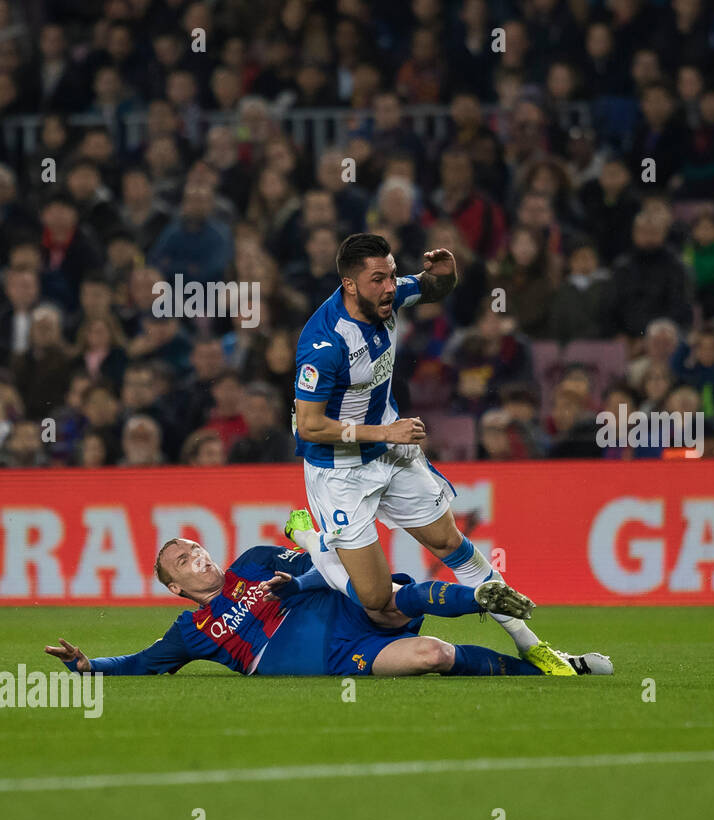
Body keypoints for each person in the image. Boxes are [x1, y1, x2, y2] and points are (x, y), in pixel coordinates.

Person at [292, 233, 577, 676]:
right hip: (340, 472)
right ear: (350, 285)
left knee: (450, 542)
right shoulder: (324, 343)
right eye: (377, 280)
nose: (390, 287)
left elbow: (432, 286)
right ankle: (312, 540)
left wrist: (446, 274)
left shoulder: (387, 295)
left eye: (391, 275)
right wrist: (385, 431)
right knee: (375, 600)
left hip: (391, 452)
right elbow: (310, 426)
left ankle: (533, 646)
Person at [45, 532, 610, 678]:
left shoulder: (256, 561)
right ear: (174, 586)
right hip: (333, 659)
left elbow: (326, 566)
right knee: (433, 656)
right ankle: (545, 666)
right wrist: (89, 665)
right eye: (183, 561)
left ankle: (480, 596)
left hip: (338, 613)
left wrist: (299, 585)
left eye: (196, 548)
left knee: (383, 595)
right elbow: (142, 664)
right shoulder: (191, 631)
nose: (198, 558)